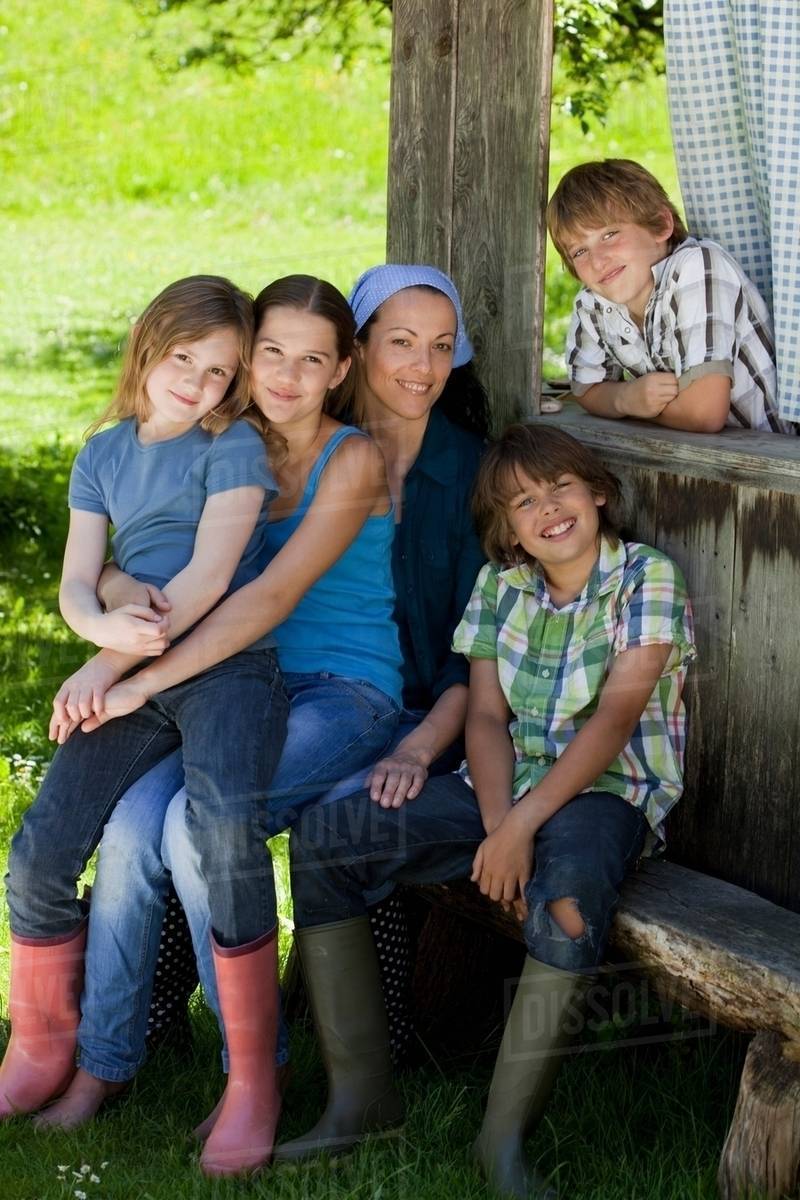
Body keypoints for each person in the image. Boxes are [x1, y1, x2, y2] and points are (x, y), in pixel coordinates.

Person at [27, 275, 403, 1177]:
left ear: (342, 369)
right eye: (269, 351)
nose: (287, 373)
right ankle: (102, 1064)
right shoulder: (215, 441)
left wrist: (127, 682)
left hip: (341, 690)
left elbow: (265, 598)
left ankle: (249, 1078)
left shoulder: (349, 458)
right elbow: (136, 562)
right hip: (225, 677)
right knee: (123, 828)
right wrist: (114, 613)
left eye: (315, 359)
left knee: (194, 829)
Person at [280, 423, 696, 1200]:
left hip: (608, 792)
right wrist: (501, 821)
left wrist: (519, 830)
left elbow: (612, 722)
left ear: (598, 491)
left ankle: (500, 1143)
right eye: (522, 504)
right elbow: (482, 719)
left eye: (560, 489)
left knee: (568, 901)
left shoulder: (647, 578)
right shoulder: (500, 588)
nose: (547, 511)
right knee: (327, 841)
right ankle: (362, 1101)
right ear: (506, 530)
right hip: (497, 789)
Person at [0, 275, 292, 1176]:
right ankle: (42, 1045)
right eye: (184, 361)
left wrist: (105, 664)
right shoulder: (103, 454)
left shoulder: (234, 446)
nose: (200, 386)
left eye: (220, 372)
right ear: (147, 342)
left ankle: (252, 1079)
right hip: (132, 668)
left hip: (225, 675)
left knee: (224, 832)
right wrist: (96, 632)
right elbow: (78, 583)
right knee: (42, 848)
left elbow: (206, 584)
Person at [547, 158, 793, 435]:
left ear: (661, 226)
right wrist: (624, 398)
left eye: (610, 234)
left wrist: (633, 409)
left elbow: (703, 413)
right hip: (697, 458)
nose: (598, 261)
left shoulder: (697, 267)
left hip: (777, 454)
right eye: (579, 251)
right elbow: (585, 387)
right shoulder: (593, 302)